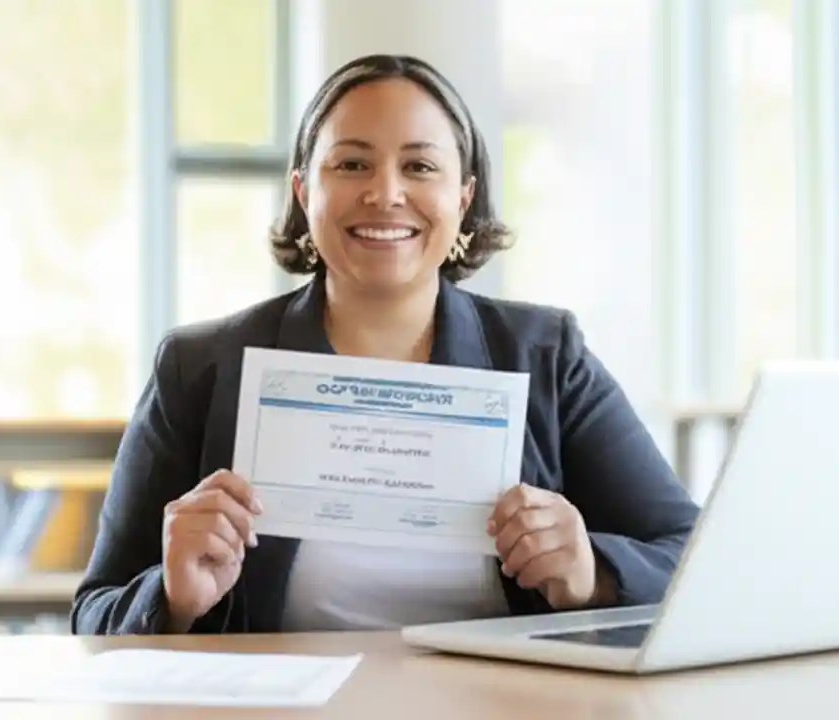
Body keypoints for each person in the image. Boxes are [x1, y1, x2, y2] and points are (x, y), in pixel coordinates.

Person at [71, 54, 699, 635]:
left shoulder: (547, 357)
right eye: (351, 164)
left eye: (420, 166)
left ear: (464, 197)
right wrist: (172, 598)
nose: (385, 193)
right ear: (302, 191)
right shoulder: (198, 368)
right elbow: (94, 612)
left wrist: (591, 575)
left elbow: (691, 556)